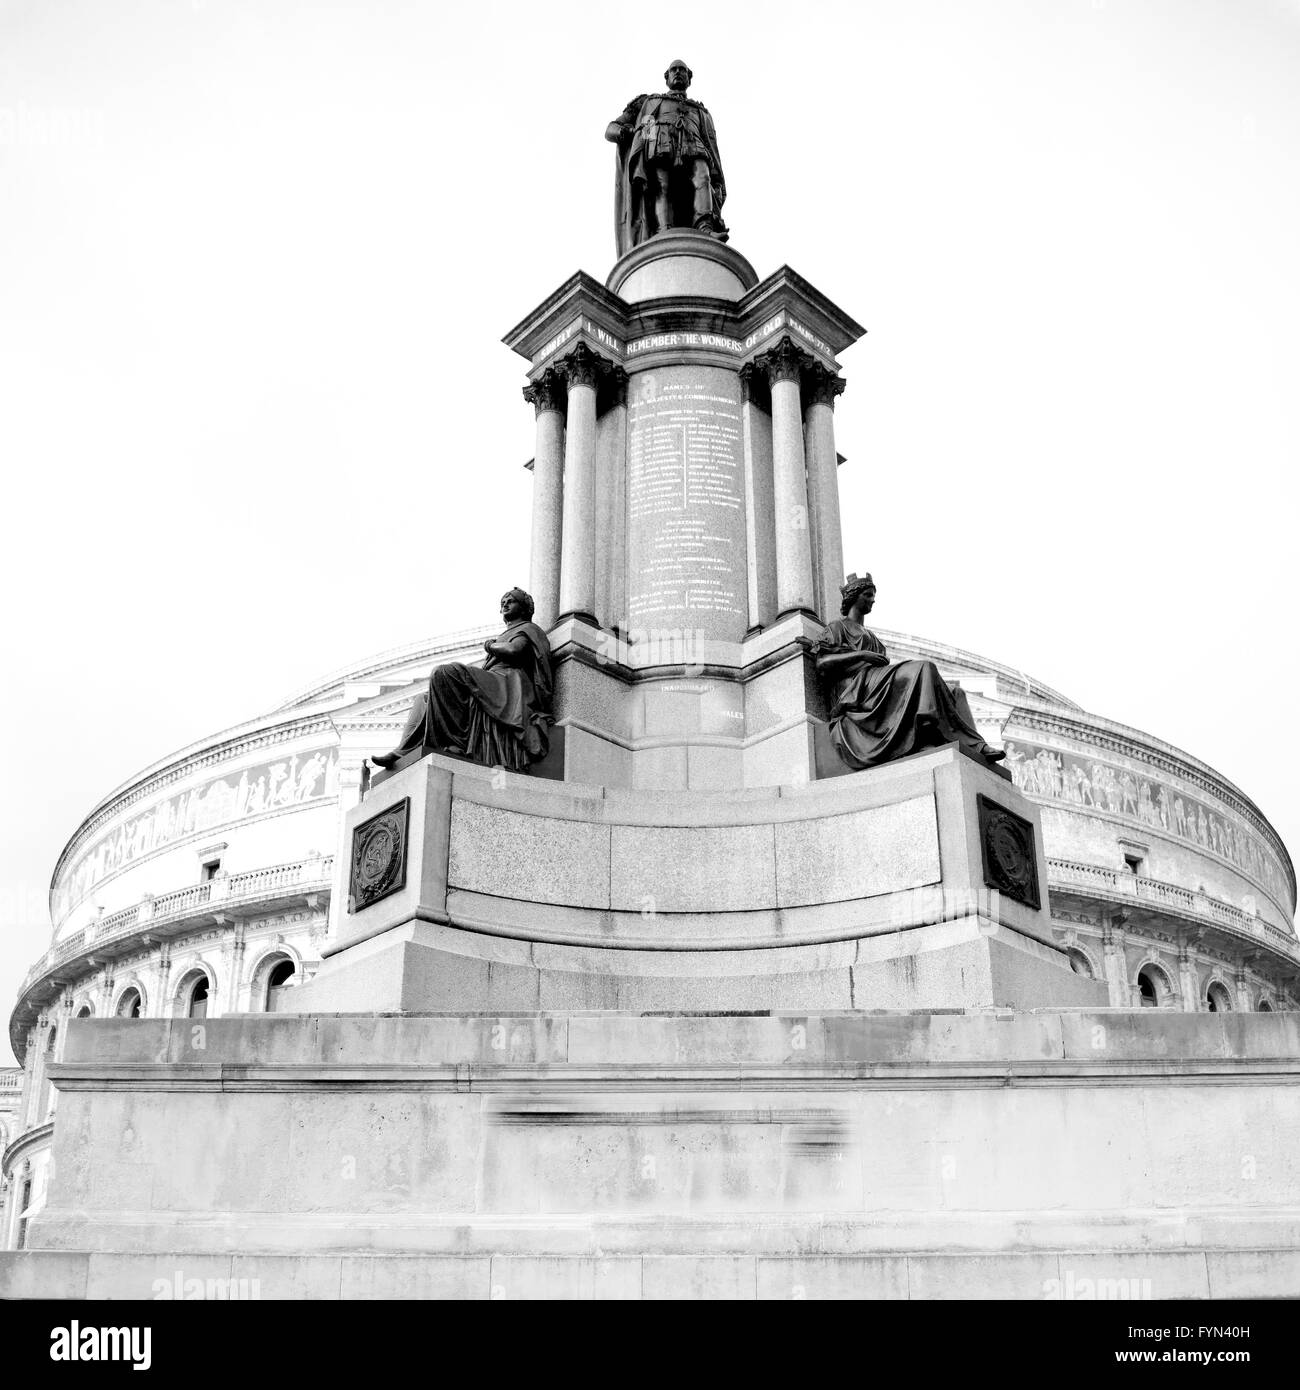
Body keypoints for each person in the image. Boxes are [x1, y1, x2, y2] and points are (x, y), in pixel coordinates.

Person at [815, 573, 1006, 772]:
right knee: (924, 668)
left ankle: (977, 747)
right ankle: (925, 734)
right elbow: (822, 663)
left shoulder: (872, 637)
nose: (873, 600)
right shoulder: (837, 627)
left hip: (876, 685)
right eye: (868, 595)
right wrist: (862, 655)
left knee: (956, 693)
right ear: (854, 597)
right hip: (855, 688)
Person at [372, 588, 553, 772]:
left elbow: (514, 650)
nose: (505, 604)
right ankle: (404, 751)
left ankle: (456, 743)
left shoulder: (529, 629)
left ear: (523, 608)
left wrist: (490, 645)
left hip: (508, 682)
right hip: (492, 682)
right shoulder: (507, 633)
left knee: (445, 673)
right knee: (423, 699)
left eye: (511, 600)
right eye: (502, 602)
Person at [605, 59, 727, 256]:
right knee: (661, 186)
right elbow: (613, 128)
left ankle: (705, 228)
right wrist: (625, 133)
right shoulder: (649, 102)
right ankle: (664, 230)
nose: (678, 73)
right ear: (667, 77)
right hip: (659, 143)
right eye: (674, 70)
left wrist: (718, 180)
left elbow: (711, 146)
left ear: (689, 78)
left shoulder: (701, 111)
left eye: (682, 70)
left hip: (693, 144)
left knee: (702, 177)